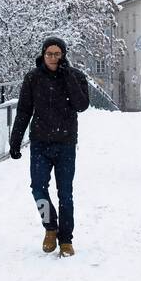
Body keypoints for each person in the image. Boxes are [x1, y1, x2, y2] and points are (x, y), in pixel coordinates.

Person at [9, 36, 90, 256]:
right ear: (43, 55)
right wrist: (15, 139)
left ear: (63, 55)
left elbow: (82, 105)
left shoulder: (76, 77)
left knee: (65, 194)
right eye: (49, 54)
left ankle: (66, 239)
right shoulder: (33, 78)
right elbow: (24, 110)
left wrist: (68, 77)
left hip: (65, 144)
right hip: (40, 144)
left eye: (57, 54)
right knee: (37, 188)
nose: (53, 58)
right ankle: (50, 227)